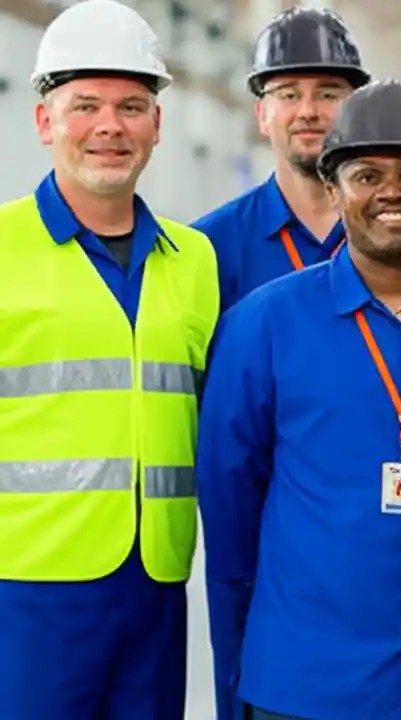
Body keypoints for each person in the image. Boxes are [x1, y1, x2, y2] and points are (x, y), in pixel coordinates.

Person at [196, 79, 401, 720]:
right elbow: (230, 511)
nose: (393, 193)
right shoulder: (264, 325)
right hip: (308, 682)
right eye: (367, 174)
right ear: (333, 187)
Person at [0, 1, 219, 718]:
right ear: (44, 122)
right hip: (27, 588)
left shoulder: (193, 261)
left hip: (155, 582)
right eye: (84, 105)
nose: (109, 127)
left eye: (131, 106)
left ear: (156, 125)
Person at [193, 6, 369, 312]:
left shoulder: (389, 235)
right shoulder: (211, 247)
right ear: (261, 115)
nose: (308, 111)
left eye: (328, 95)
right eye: (289, 95)